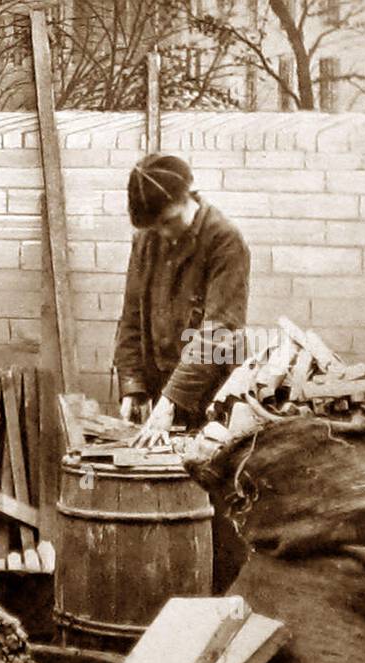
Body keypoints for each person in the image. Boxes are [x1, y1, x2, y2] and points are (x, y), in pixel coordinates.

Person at [113, 154, 251, 448]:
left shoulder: (225, 240)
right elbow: (131, 317)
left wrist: (170, 401)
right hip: (163, 396)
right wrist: (132, 386)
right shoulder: (146, 239)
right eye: (155, 227)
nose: (164, 233)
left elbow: (219, 332)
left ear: (189, 194)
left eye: (169, 221)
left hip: (213, 398)